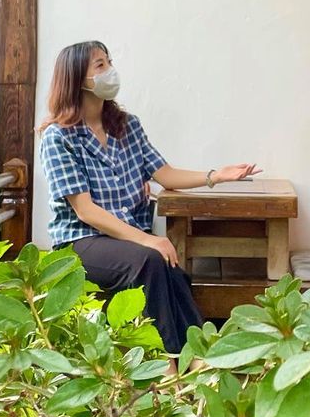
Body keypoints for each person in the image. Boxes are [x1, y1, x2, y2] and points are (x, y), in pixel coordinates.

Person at [38, 41, 259, 353]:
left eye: (108, 62)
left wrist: (216, 175)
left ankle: (201, 353)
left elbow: (164, 174)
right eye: (100, 66)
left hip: (124, 239)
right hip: (81, 241)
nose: (110, 71)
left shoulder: (127, 126)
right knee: (151, 260)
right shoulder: (58, 137)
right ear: (77, 79)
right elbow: (86, 211)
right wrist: (149, 240)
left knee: (174, 272)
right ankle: (168, 362)